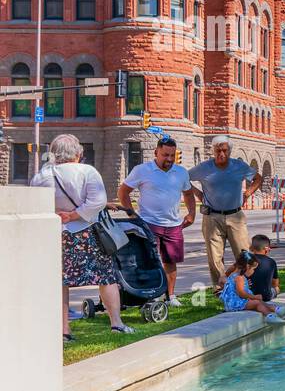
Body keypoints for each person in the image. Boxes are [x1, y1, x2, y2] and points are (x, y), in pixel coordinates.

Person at [32, 134, 134, 339]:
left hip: (57, 233)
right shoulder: (88, 171)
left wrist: (61, 216)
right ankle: (116, 323)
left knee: (60, 281)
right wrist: (74, 215)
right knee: (105, 276)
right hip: (88, 232)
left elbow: (35, 203)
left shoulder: (42, 175)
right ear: (78, 153)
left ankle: (64, 331)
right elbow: (97, 202)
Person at [118, 136, 197, 307]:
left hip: (174, 224)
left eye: (172, 155)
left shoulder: (181, 172)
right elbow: (123, 192)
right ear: (156, 153)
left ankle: (171, 296)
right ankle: (151, 295)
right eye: (165, 155)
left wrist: (191, 214)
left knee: (171, 261)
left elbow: (189, 193)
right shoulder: (142, 170)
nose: (169, 159)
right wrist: (132, 215)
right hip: (148, 223)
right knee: (149, 260)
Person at [189, 137, 262, 288]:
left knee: (244, 255)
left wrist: (247, 193)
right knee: (215, 258)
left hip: (235, 216)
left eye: (224, 150)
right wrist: (198, 193)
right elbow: (183, 179)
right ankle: (221, 290)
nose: (221, 154)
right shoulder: (204, 167)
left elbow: (257, 178)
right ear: (213, 151)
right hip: (212, 217)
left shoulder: (239, 166)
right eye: (218, 151)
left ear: (230, 151)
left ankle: (247, 286)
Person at [219, 250, 285, 324]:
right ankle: (269, 316)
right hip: (235, 304)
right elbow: (241, 293)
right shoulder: (239, 277)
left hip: (238, 301)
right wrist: (254, 297)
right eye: (253, 269)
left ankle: (277, 310)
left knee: (259, 302)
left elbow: (236, 287)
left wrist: (245, 284)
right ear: (247, 266)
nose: (253, 271)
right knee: (257, 303)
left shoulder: (237, 275)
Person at [247, 234, 280, 302]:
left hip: (248, 295)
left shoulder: (247, 260)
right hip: (265, 296)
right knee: (276, 289)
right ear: (266, 249)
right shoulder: (271, 262)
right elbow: (275, 283)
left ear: (252, 248)